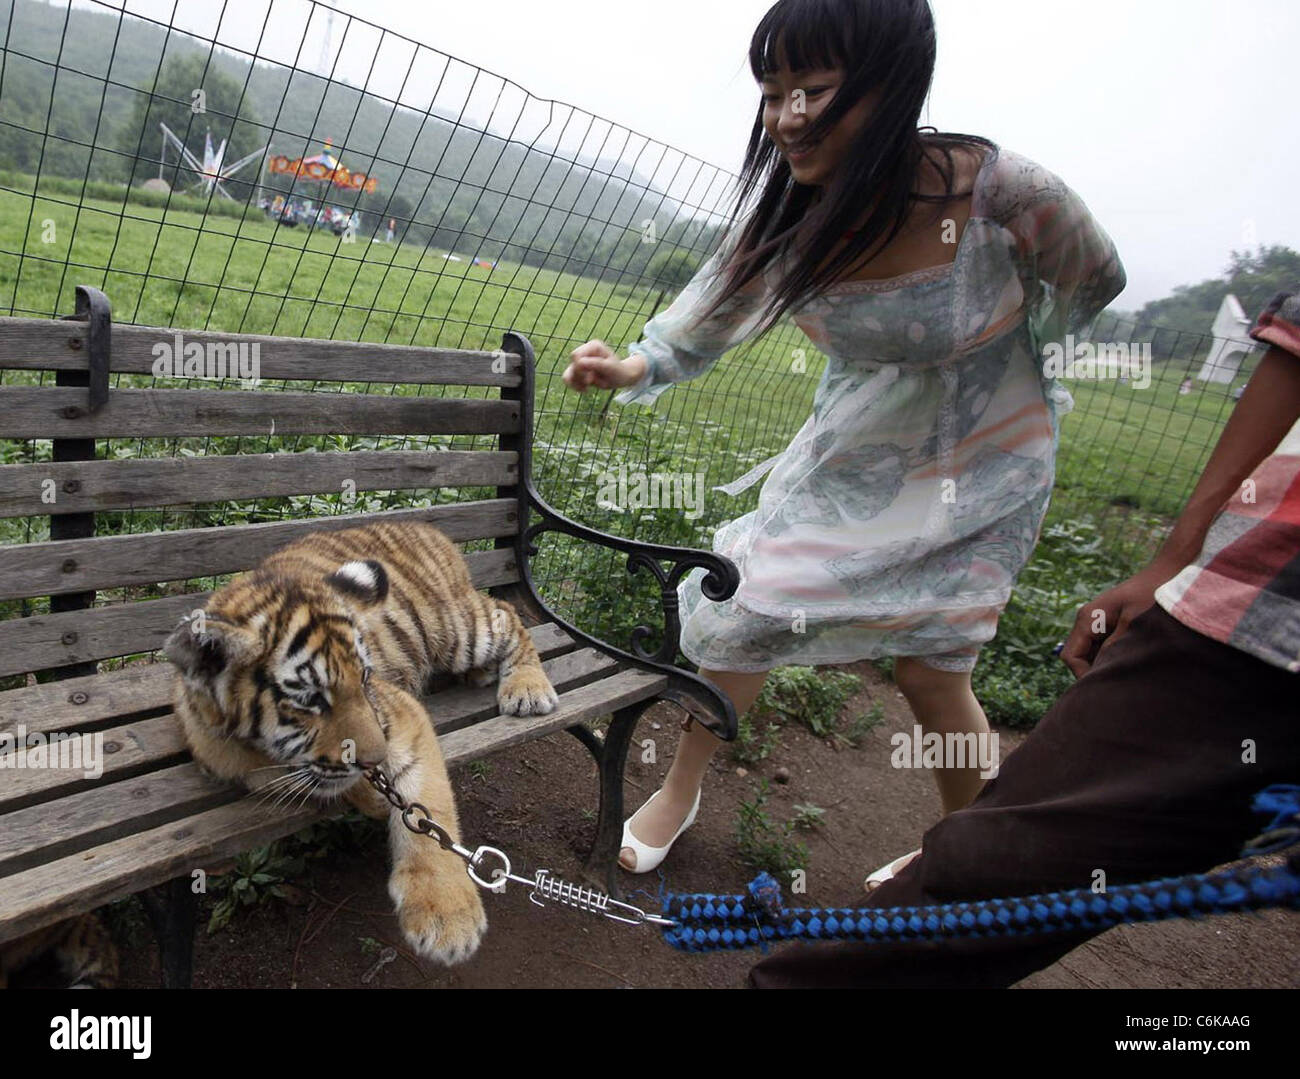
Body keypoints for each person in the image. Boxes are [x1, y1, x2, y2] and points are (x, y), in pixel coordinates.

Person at [561, 0, 1125, 881]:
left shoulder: (1009, 195)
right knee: (747, 612)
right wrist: (636, 366)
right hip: (853, 454)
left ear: (891, 84)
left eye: (813, 89)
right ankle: (681, 786)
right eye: (772, 89)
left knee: (933, 669)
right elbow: (713, 307)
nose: (786, 116)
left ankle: (961, 854)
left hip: (988, 461)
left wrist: (1002, 347)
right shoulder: (796, 212)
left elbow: (1093, 280)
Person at [746, 284, 1300, 987]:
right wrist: (1175, 557)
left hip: (1244, 623)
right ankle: (937, 868)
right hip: (1260, 620)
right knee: (1010, 866)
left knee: (945, 695)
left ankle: (940, 858)